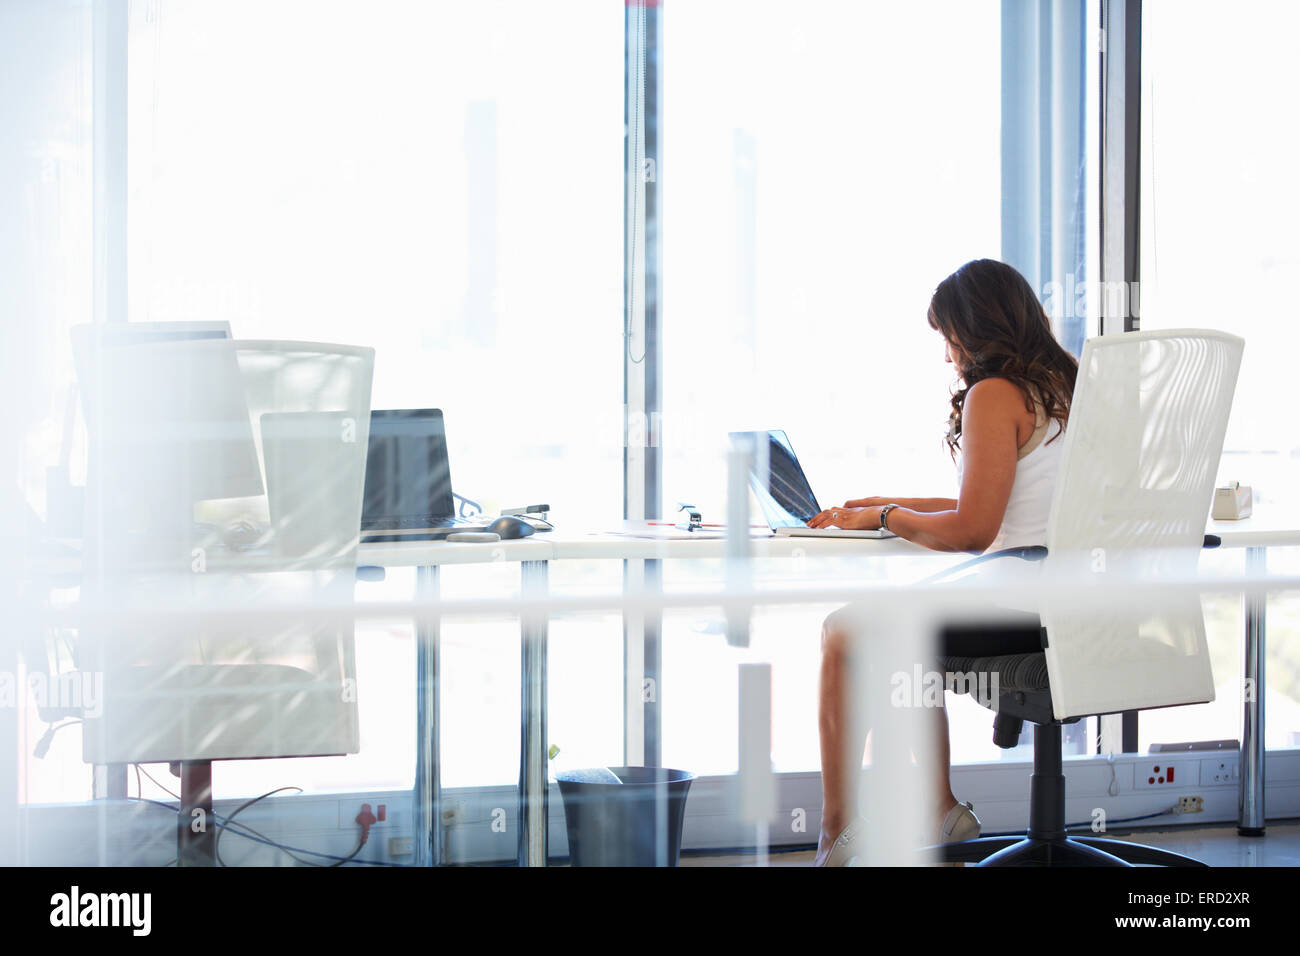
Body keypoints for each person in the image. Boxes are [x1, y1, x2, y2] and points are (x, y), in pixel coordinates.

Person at [811, 258, 1079, 867]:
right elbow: (1003, 498)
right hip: (1084, 611)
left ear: (976, 331)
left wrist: (887, 520)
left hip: (1026, 618)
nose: (949, 353)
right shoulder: (1071, 385)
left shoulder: (995, 393)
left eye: (950, 337)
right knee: (904, 618)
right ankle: (939, 810)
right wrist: (891, 503)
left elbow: (973, 529)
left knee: (846, 630)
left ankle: (837, 829)